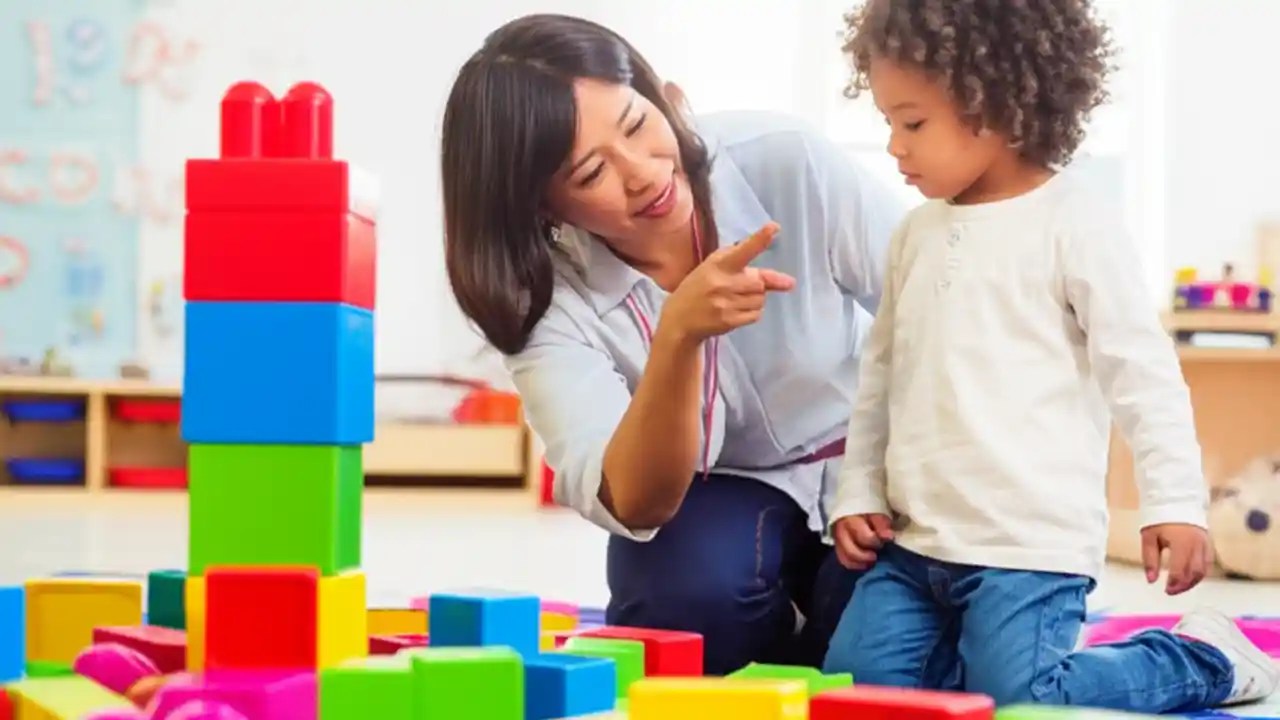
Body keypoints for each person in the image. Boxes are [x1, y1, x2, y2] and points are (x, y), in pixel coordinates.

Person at [821, 0, 1280, 712]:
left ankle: (1205, 659)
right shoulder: (913, 236)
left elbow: (1144, 378)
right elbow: (879, 380)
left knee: (1022, 698)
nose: (894, 147)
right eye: (888, 123)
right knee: (854, 690)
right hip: (915, 544)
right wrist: (858, 493)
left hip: (1028, 550)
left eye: (912, 124)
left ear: (996, 104)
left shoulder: (1076, 224)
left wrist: (1174, 503)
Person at [440, 13, 905, 674]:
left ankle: (813, 633)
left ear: (662, 97)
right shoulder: (544, 299)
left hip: (864, 456)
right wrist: (677, 339)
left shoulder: (783, 159)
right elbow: (634, 499)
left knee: (904, 622)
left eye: (636, 124)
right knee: (680, 603)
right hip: (712, 496)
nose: (643, 174)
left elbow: (933, 310)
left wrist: (891, 474)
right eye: (591, 173)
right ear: (544, 207)